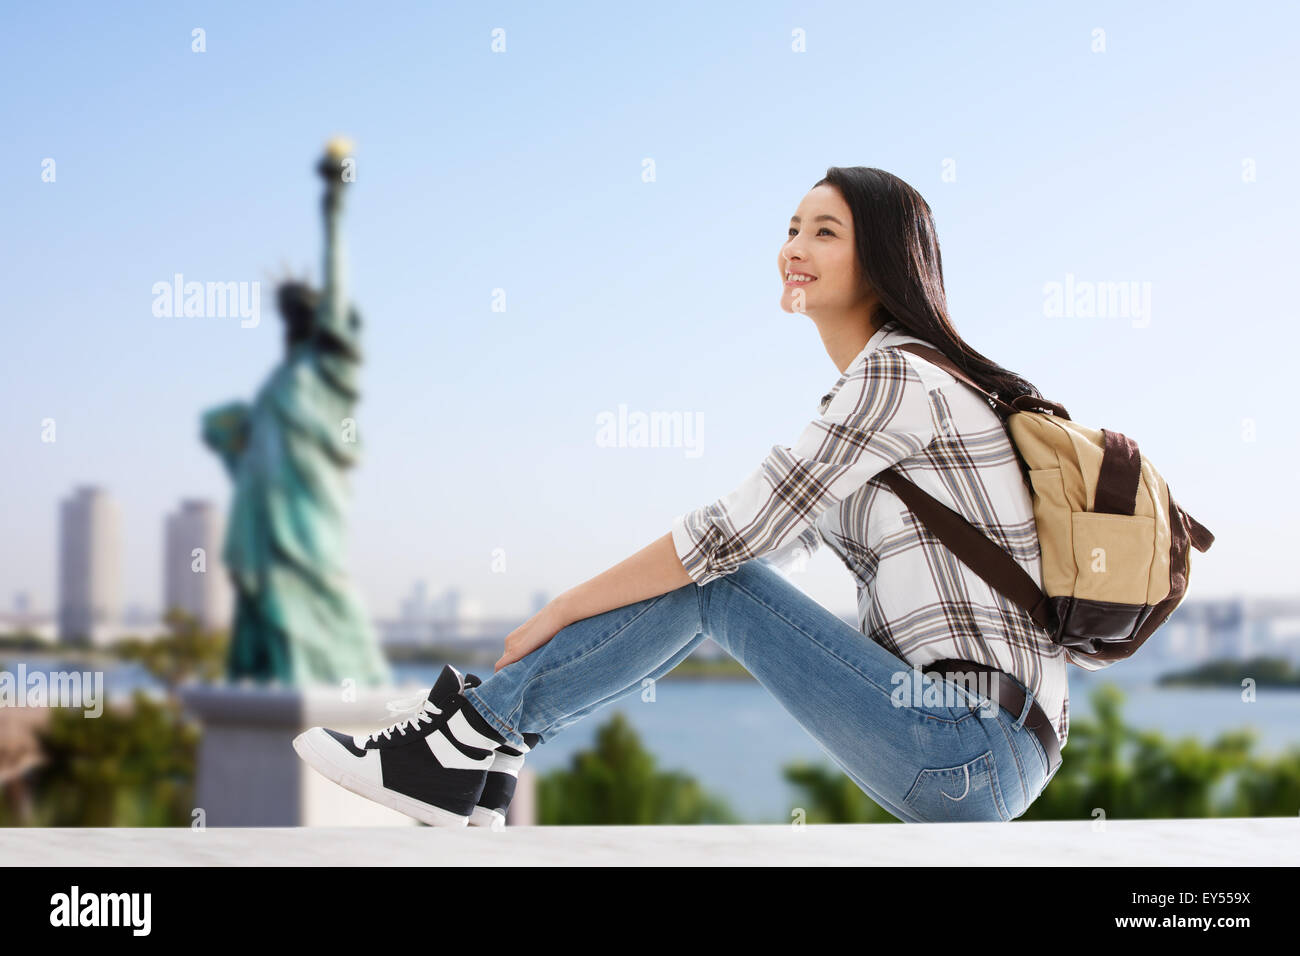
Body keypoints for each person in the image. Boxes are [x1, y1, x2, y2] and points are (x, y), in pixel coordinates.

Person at [295, 166, 1066, 826]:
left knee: (717, 579)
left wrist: (564, 606)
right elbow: (764, 537)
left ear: (885, 260)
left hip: (967, 747)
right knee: (712, 577)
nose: (793, 249)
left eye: (825, 233)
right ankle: (486, 748)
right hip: (986, 752)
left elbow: (725, 543)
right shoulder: (900, 383)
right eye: (792, 228)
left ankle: (470, 738)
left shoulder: (896, 378)